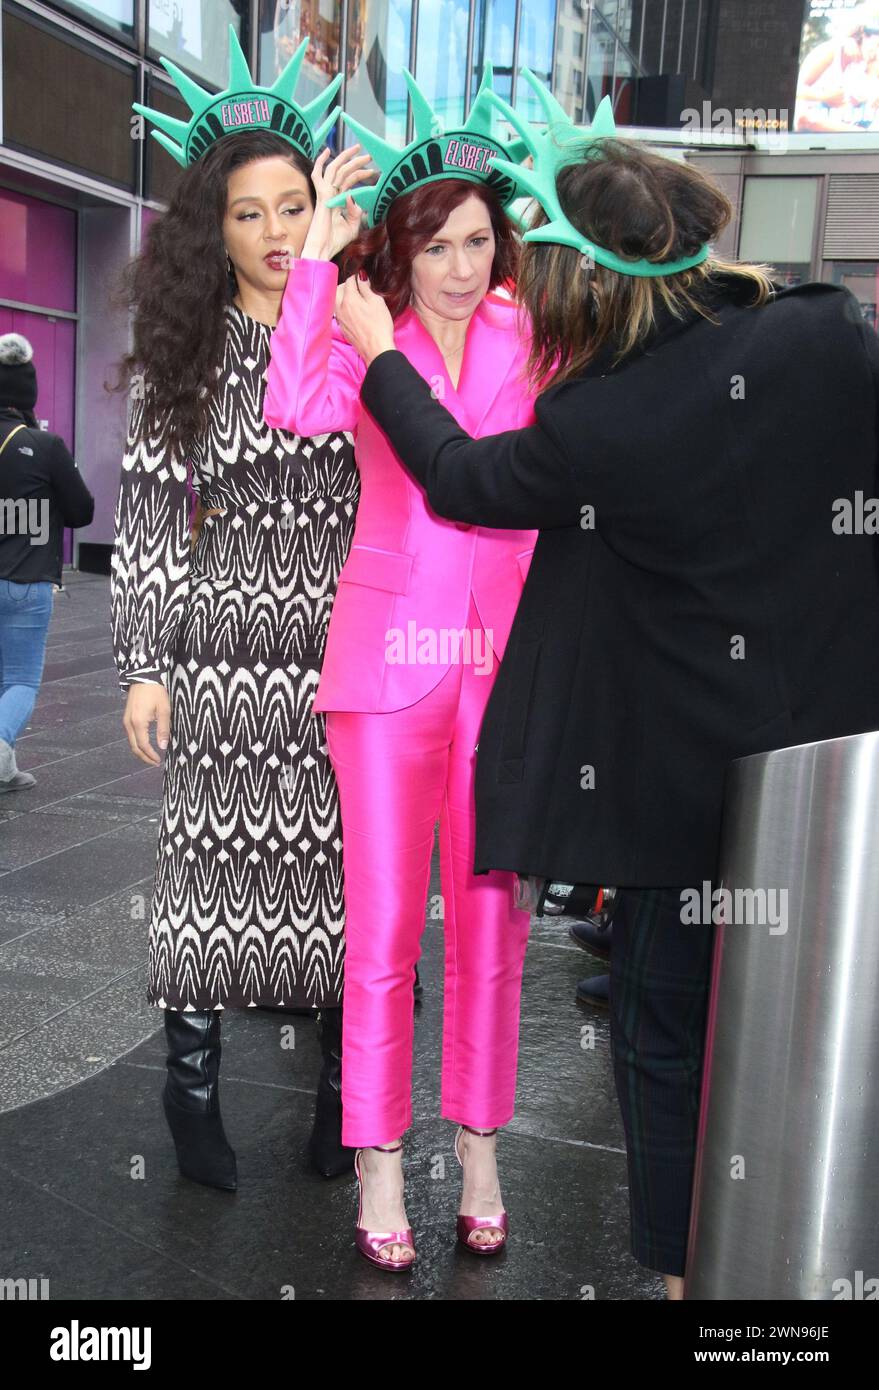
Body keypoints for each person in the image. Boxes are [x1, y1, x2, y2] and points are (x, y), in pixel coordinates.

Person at [330, 76, 879, 1297]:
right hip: (841, 777)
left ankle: (684, 1280)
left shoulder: (607, 420)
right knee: (822, 1024)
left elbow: (462, 475)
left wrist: (375, 356)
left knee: (664, 1033)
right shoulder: (825, 330)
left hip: (684, 796)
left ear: (577, 287)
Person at [263, 67, 538, 1269]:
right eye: (437, 244)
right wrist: (318, 253)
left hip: (507, 667)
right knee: (382, 935)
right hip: (385, 671)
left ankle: (478, 1145)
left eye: (479, 241)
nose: (462, 268)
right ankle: (379, 1162)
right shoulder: (363, 324)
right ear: (403, 249)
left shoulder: (538, 335)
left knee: (494, 925)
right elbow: (289, 407)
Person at [111, 28, 366, 1190]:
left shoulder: (366, 329)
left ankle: (341, 1095)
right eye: (249, 213)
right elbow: (158, 512)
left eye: (292, 207)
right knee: (211, 877)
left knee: (341, 879)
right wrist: (145, 663)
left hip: (348, 641)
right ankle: (192, 1086)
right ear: (215, 230)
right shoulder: (188, 350)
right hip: (226, 643)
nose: (274, 234)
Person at [0, 333, 93, 792]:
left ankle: (5, 769)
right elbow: (83, 512)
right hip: (25, 582)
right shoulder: (43, 445)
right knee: (19, 680)